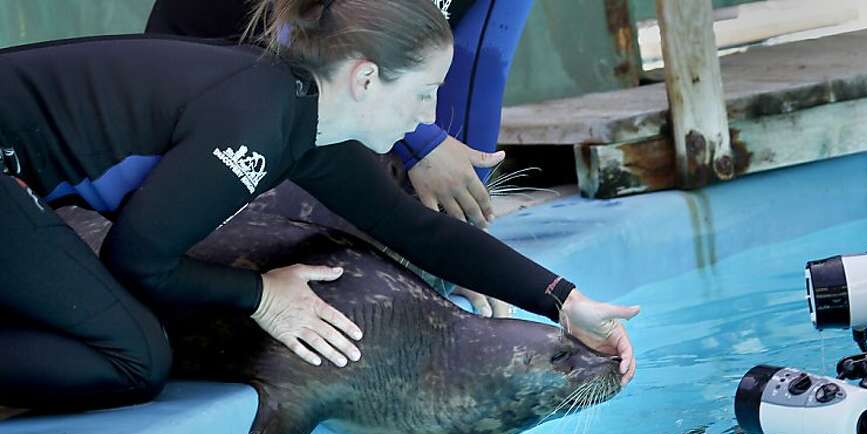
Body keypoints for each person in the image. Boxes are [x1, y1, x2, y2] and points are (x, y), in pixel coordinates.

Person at [0, 0, 637, 411]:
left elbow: (418, 230)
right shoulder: (253, 120)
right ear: (365, 79)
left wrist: (566, 301)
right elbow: (137, 258)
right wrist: (263, 295)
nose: (429, 119)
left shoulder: (307, 119)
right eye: (423, 95)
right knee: (134, 359)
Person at [146, 0, 534, 316]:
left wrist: (459, 244)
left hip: (311, 111)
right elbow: (299, 35)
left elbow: (483, 63)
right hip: (205, 108)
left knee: (388, 241)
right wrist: (422, 143)